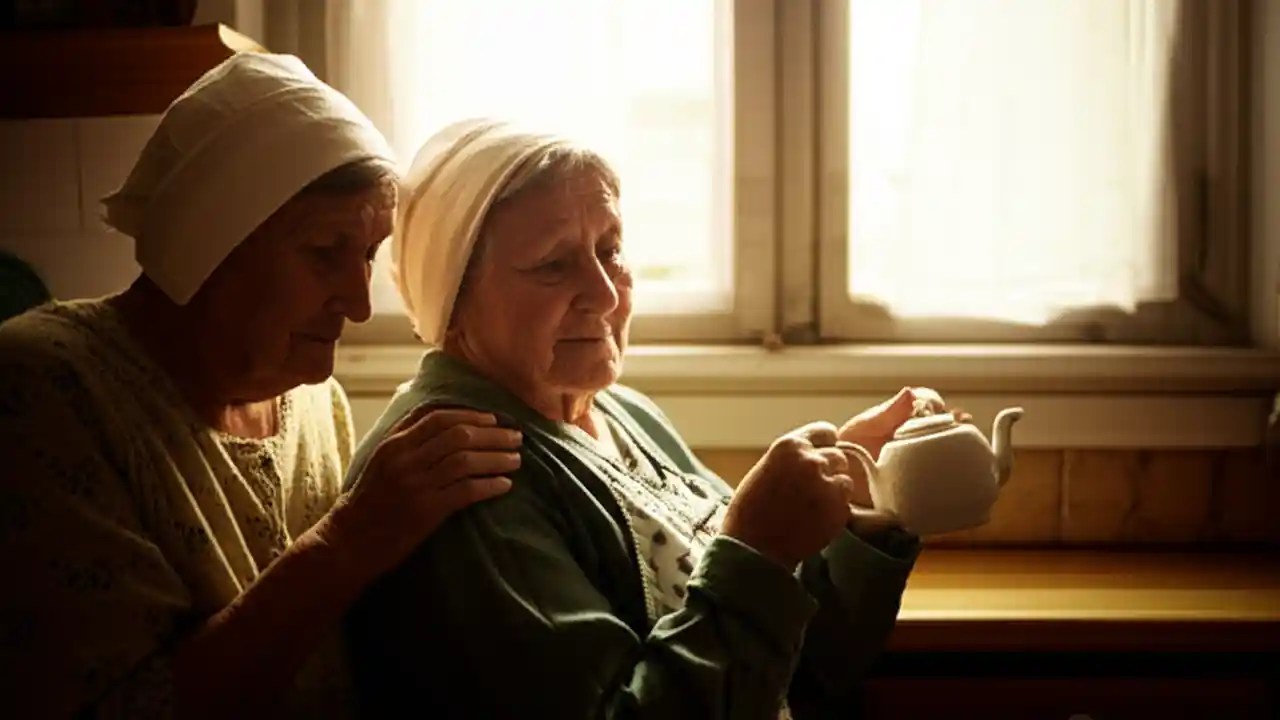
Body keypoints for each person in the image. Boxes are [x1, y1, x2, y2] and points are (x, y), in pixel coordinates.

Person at [344, 118, 944, 718]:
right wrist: (756, 552)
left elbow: (802, 673)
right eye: (554, 264)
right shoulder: (458, 469)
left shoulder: (625, 414)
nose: (606, 294)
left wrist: (860, 510)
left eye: (610, 250)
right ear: (452, 299)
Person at [0, 55, 520, 719]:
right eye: (325, 250)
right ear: (209, 242)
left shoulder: (312, 402)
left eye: (367, 254)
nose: (359, 304)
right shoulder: (46, 387)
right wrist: (346, 542)